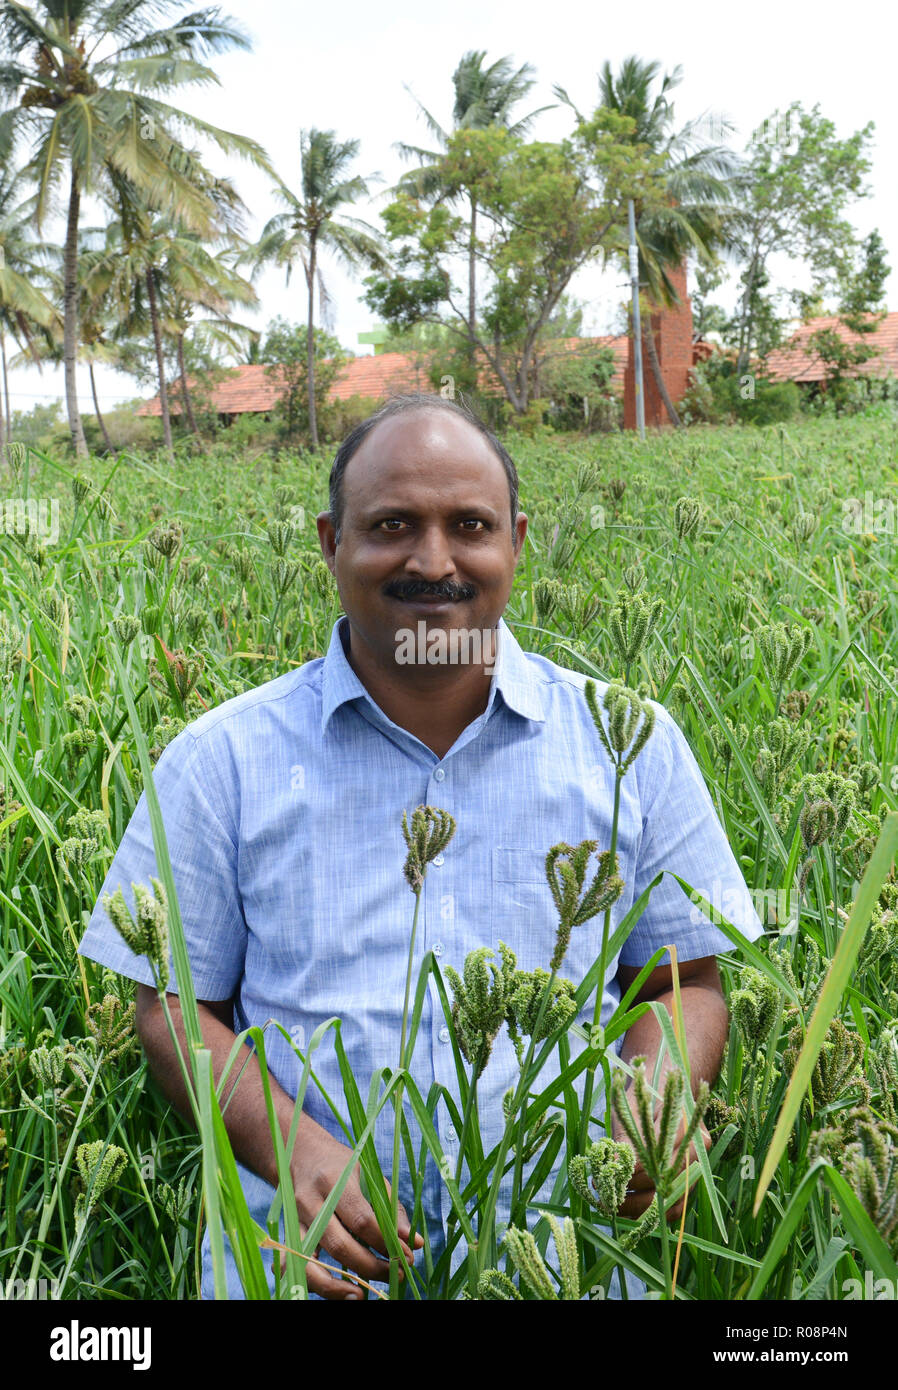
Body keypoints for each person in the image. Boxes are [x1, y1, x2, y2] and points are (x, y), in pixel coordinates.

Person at [78, 392, 765, 1300]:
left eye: (469, 526)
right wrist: (294, 1153)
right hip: (309, 1258)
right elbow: (170, 1009)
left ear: (515, 541)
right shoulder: (219, 761)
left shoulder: (628, 742)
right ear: (331, 542)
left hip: (576, 1257)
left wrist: (655, 1100)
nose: (434, 560)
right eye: (393, 525)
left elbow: (682, 981)